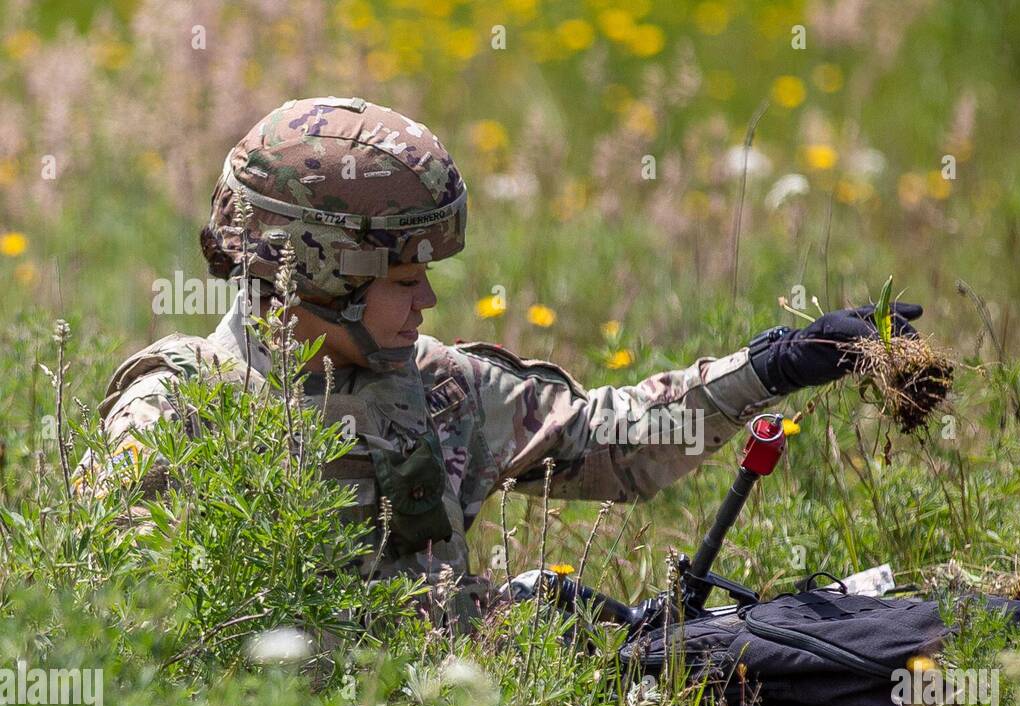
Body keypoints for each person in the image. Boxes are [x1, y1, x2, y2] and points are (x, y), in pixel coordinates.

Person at [87, 96, 920, 632]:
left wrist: (778, 365)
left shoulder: (437, 385)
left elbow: (610, 441)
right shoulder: (180, 414)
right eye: (405, 279)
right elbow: (130, 630)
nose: (428, 305)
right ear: (320, 274)